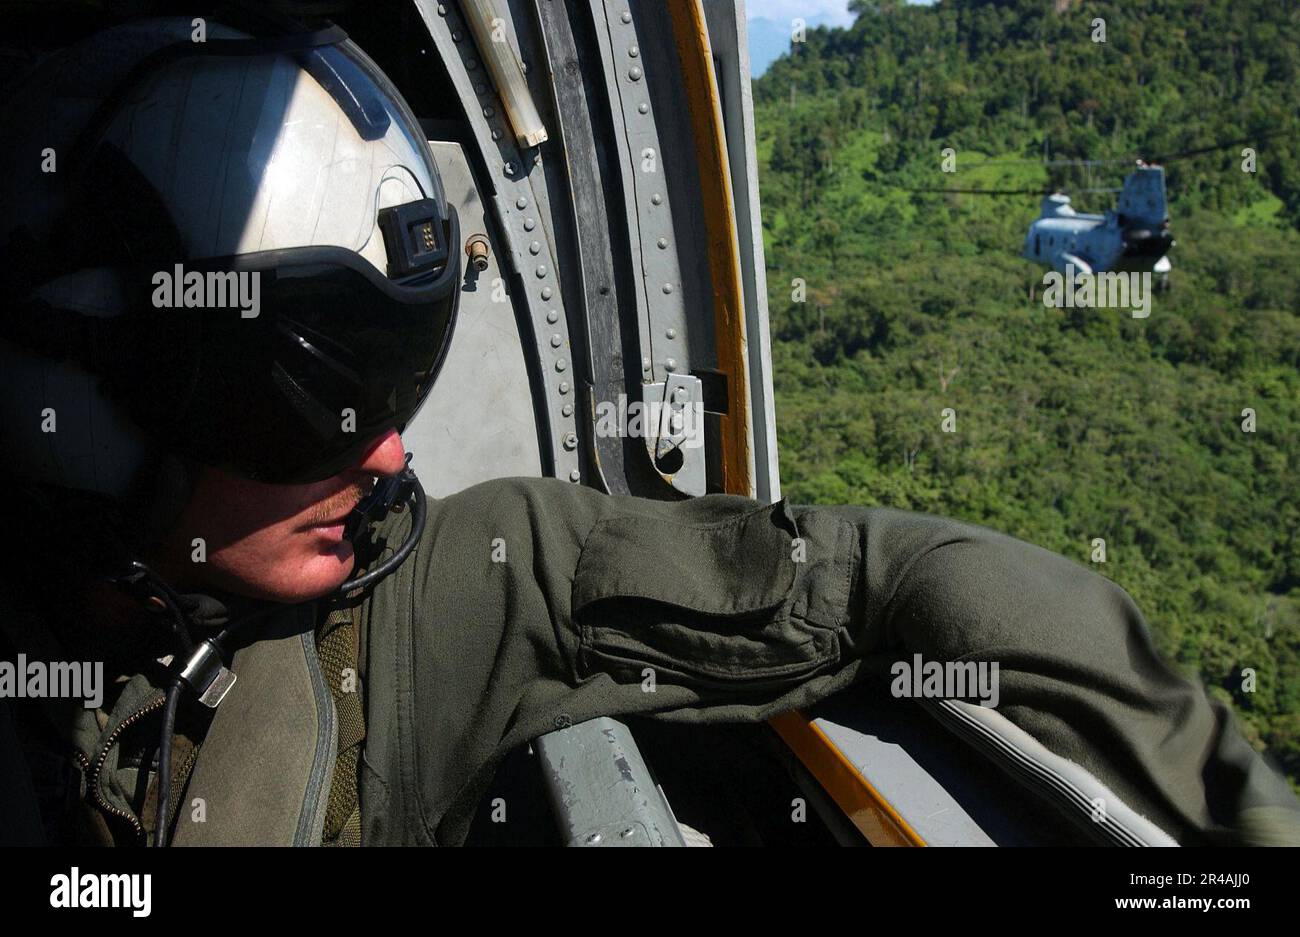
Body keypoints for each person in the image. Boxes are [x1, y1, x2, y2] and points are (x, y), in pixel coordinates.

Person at [1, 16, 1296, 848]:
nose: (387, 453)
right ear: (93, 405)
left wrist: (1224, 804)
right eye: (298, 400)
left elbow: (873, 577)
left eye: (399, 381)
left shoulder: (434, 602)